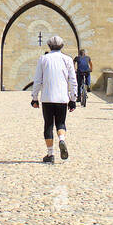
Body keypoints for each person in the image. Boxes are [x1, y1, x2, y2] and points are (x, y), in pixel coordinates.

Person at [31, 34, 77, 163]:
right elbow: (73, 80)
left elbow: (38, 80)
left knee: (48, 125)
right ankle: (62, 139)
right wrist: (73, 99)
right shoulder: (67, 59)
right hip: (62, 97)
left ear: (49, 46)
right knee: (61, 123)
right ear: (62, 46)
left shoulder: (43, 59)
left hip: (47, 97)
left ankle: (50, 154)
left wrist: (34, 98)